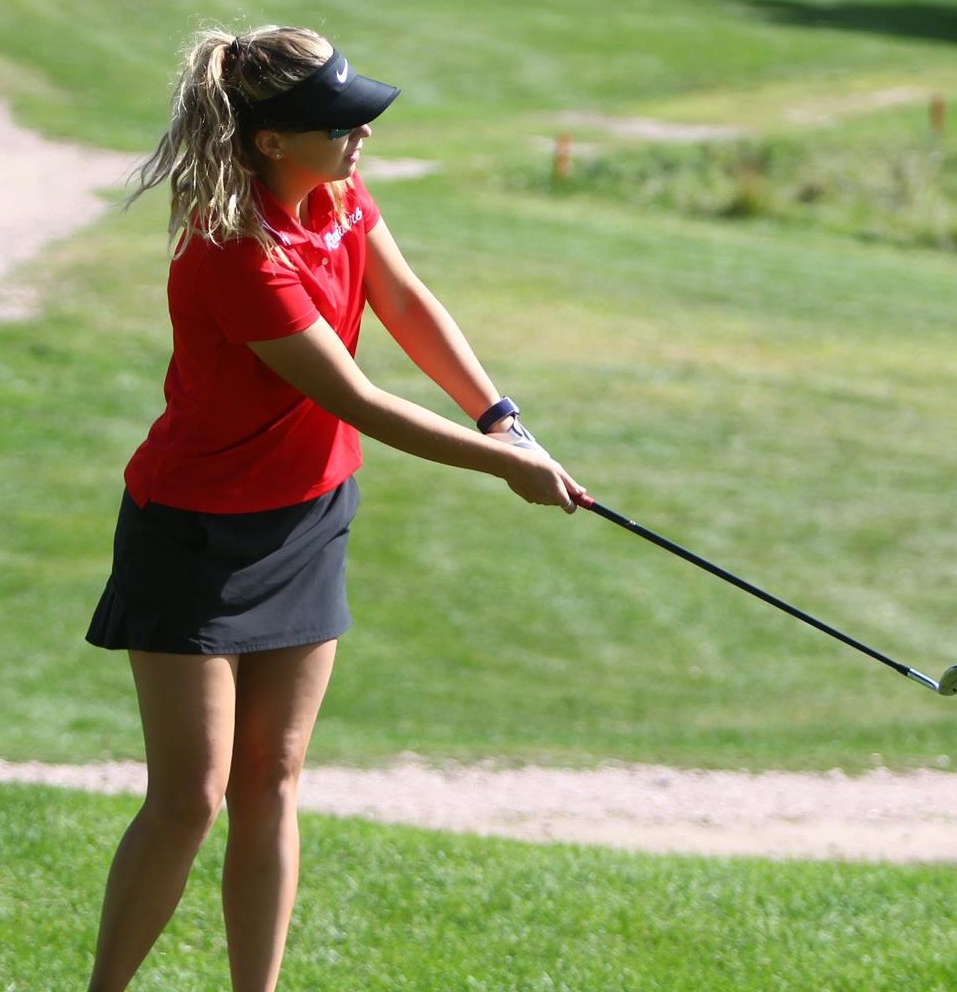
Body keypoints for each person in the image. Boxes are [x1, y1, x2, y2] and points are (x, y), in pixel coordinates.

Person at [83, 24, 586, 992]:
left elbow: (406, 302)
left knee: (271, 779)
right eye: (339, 122)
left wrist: (501, 416)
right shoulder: (236, 253)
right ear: (271, 139)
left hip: (306, 517)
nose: (362, 135)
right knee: (190, 795)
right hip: (194, 531)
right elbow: (353, 394)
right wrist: (499, 466)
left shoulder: (341, 197)